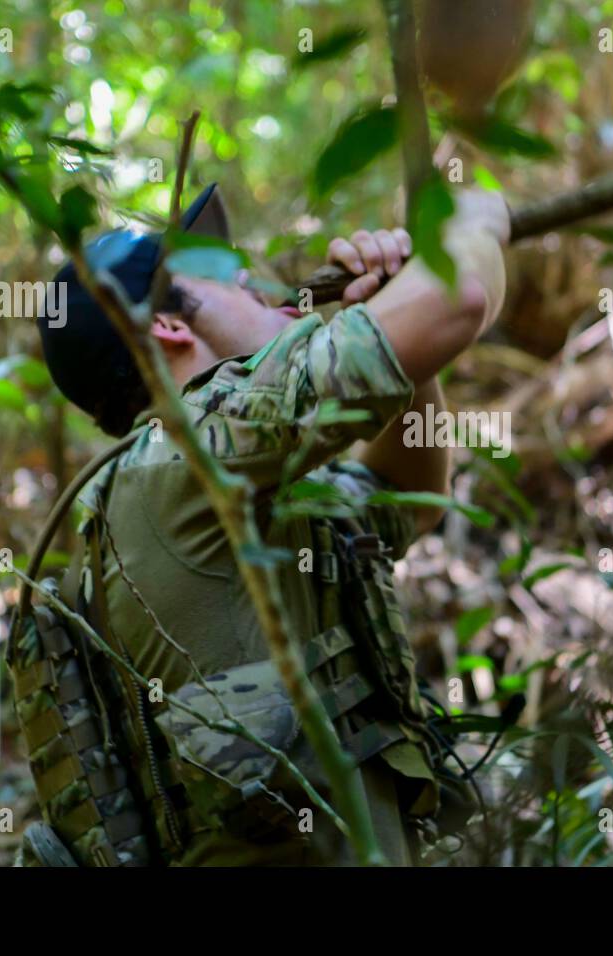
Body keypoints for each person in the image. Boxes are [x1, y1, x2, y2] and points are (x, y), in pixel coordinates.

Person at [26, 183, 509, 865]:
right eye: (226, 277)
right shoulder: (182, 452)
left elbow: (406, 494)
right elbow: (456, 301)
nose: (258, 282)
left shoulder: (196, 482)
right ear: (167, 325)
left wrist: (382, 319)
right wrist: (473, 223)